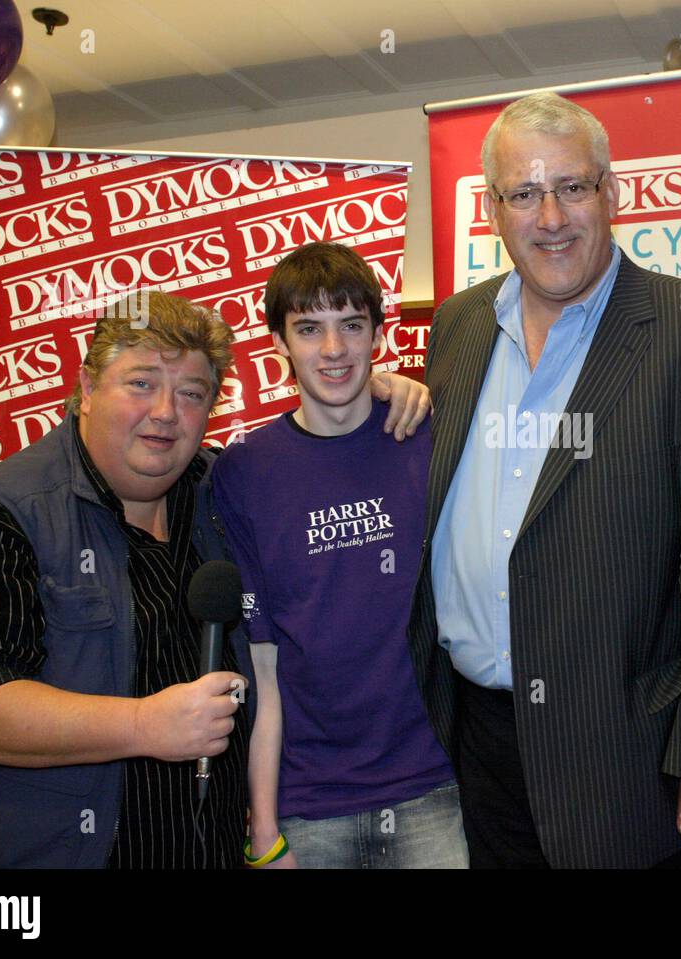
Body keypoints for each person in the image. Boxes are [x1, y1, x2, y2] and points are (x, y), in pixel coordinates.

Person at [0, 292, 430, 868]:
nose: (167, 411)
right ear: (86, 390)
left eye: (191, 394)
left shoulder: (222, 492)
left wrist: (373, 394)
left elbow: (313, 464)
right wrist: (145, 724)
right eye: (141, 383)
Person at [409, 91, 681, 868]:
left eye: (572, 187)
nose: (551, 217)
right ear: (493, 209)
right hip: (471, 745)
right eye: (524, 193)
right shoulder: (457, 326)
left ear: (613, 192)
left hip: (622, 755)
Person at [214, 243, 466, 869]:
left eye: (351, 326)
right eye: (309, 329)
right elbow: (264, 671)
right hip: (308, 802)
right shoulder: (244, 473)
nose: (333, 351)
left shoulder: (427, 436)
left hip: (433, 787)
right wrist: (265, 832)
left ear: (380, 333)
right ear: (279, 343)